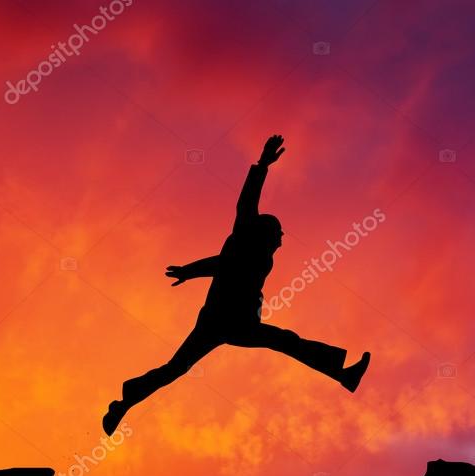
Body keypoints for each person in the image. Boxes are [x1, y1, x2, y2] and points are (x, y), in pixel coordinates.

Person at [101, 134, 370, 435]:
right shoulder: (246, 238)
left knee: (182, 366)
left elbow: (223, 263)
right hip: (224, 319)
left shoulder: (262, 255)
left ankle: (125, 401)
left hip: (231, 321)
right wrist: (263, 164)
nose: (283, 239)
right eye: (279, 233)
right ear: (266, 232)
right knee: (280, 342)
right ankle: (124, 402)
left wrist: (192, 273)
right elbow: (243, 211)